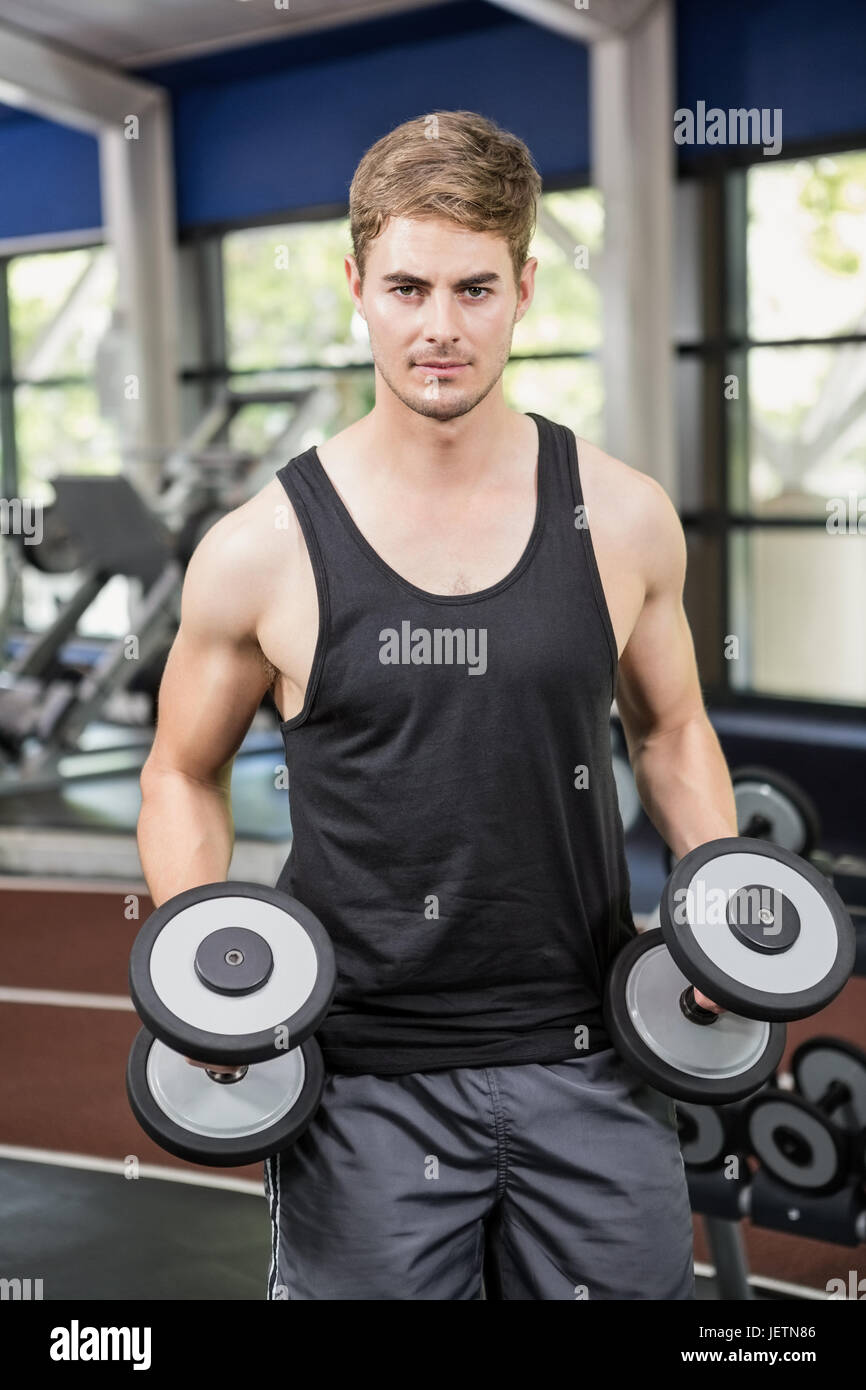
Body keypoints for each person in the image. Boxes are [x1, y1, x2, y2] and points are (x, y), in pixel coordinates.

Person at [137, 109, 737, 1301]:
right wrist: (207, 957)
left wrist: (714, 893)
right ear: (355, 283)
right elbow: (177, 770)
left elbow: (669, 729)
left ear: (523, 287)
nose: (439, 329)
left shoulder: (619, 516)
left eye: (473, 289)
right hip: (359, 1080)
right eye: (407, 287)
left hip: (592, 1056)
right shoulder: (258, 549)